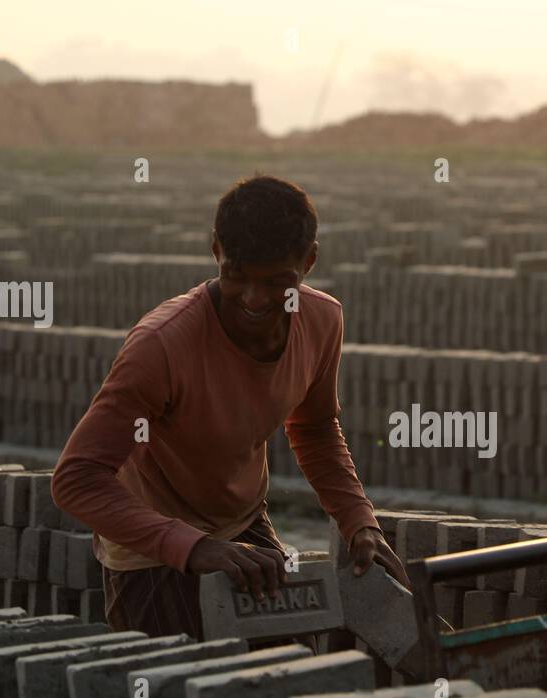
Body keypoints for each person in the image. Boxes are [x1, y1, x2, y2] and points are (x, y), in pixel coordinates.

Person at [52, 175, 408, 640]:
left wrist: (359, 522)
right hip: (151, 550)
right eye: (237, 276)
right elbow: (76, 480)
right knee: (178, 696)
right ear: (216, 250)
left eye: (278, 282)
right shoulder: (161, 346)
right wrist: (193, 547)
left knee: (293, 674)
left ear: (309, 261)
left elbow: (315, 428)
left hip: (241, 526)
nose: (254, 300)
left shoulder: (322, 321)